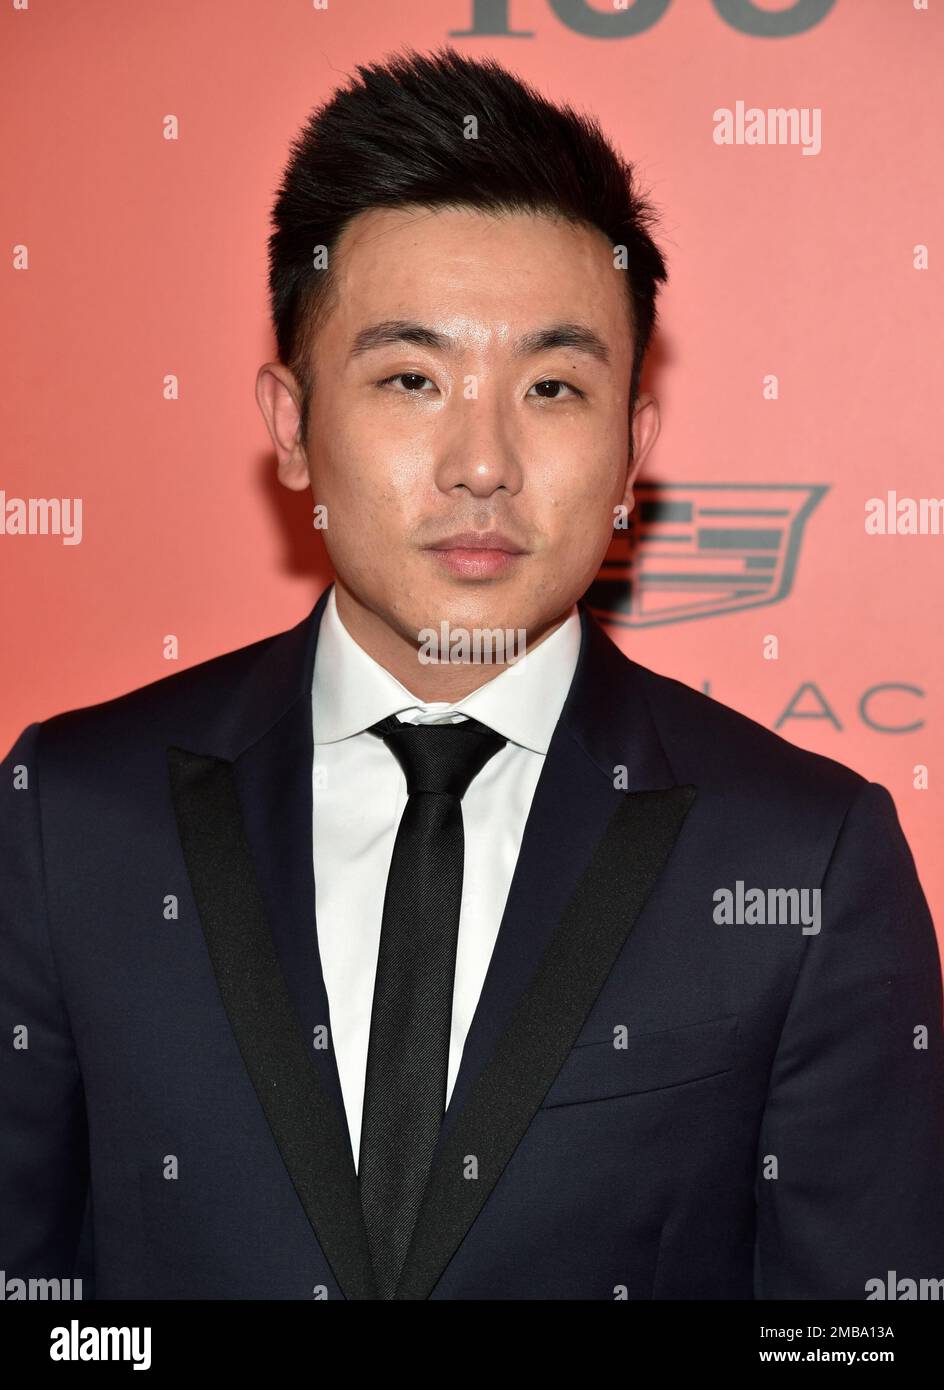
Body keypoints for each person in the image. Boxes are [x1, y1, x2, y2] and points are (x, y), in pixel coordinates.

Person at [2, 45, 942, 1302]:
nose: (482, 461)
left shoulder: (801, 855)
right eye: (410, 379)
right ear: (290, 426)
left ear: (630, 452)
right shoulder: (73, 816)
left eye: (551, 385)